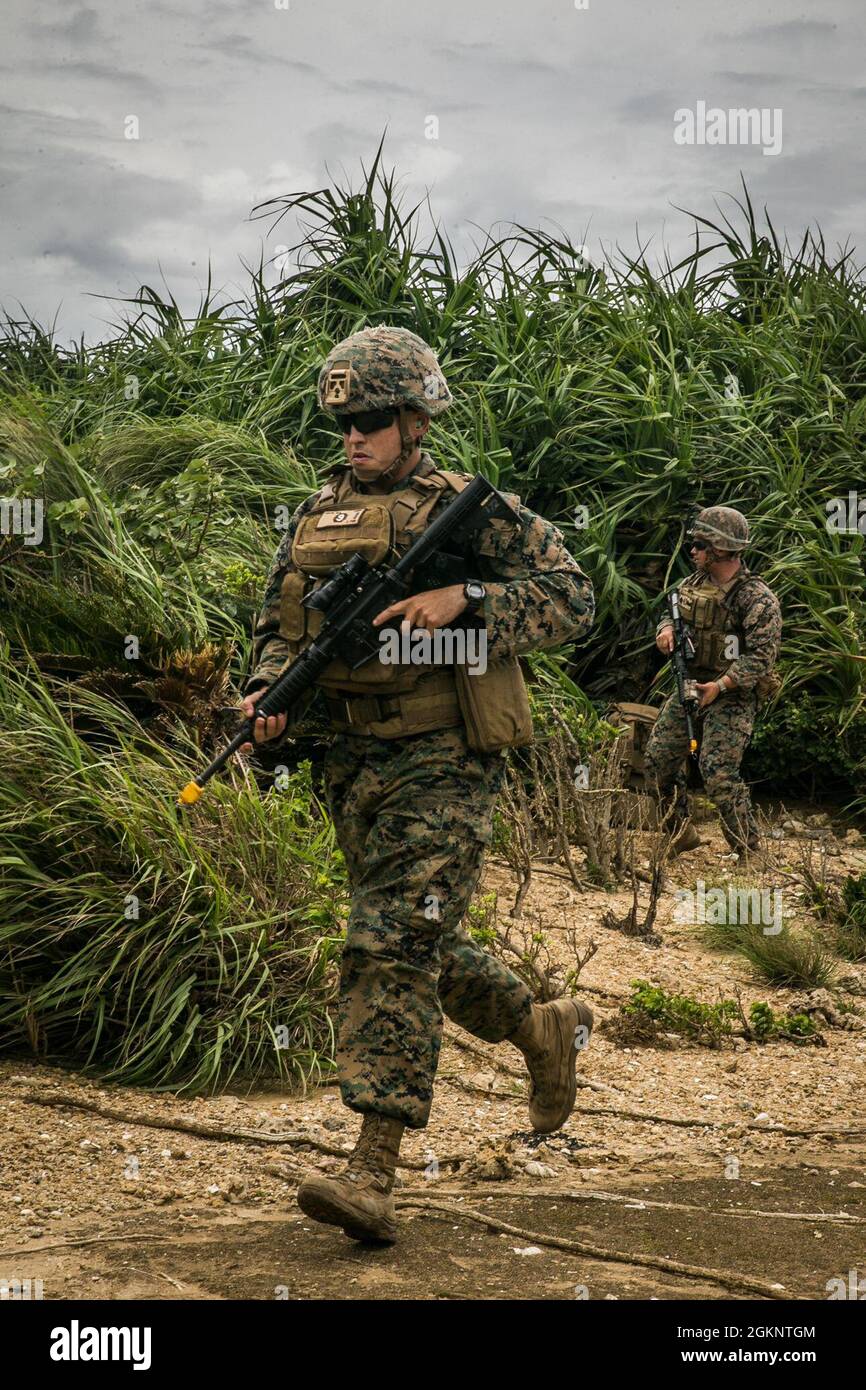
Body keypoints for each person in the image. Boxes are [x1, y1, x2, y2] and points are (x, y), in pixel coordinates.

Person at [241, 325, 595, 1243]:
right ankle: (541, 1028)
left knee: (388, 941)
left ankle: (373, 1169)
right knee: (419, 943)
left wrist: (468, 600)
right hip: (351, 763)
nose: (353, 437)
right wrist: (265, 695)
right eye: (342, 421)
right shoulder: (316, 515)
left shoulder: (471, 511)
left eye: (369, 420)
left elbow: (574, 597)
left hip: (444, 757)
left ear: (413, 417)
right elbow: (278, 627)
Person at [644, 506, 782, 860]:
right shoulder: (691, 585)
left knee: (718, 771)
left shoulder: (756, 598)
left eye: (701, 545)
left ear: (721, 549)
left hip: (733, 692)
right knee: (658, 760)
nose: (693, 551)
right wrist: (665, 630)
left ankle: (749, 851)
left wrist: (720, 687)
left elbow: (762, 657)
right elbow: (668, 610)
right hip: (691, 683)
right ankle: (680, 832)